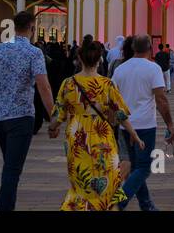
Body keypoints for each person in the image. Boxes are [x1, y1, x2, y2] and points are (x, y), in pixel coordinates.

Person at [0, 11, 55, 212]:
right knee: (12, 171)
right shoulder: (34, 53)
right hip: (21, 118)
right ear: (32, 28)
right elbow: (44, 86)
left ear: (13, 27)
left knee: (10, 165)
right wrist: (54, 118)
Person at [48, 39, 140, 211]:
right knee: (108, 180)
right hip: (103, 139)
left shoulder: (68, 84)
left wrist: (52, 128)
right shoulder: (107, 84)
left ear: (79, 59)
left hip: (77, 139)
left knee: (80, 185)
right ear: (99, 60)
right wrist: (134, 134)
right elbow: (121, 114)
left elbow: (57, 115)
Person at [111, 33, 174, 212]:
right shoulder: (153, 69)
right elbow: (161, 99)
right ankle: (117, 202)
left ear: (132, 48)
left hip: (125, 126)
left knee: (135, 169)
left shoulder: (120, 70)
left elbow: (112, 99)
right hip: (145, 125)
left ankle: (147, 205)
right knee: (144, 168)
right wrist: (170, 124)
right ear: (150, 48)